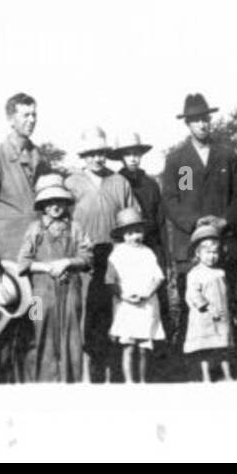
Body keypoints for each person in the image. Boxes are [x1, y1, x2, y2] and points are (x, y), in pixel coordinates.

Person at [0, 93, 51, 383]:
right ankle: (2, 387)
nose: (31, 120)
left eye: (34, 114)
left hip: (38, 257)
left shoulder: (39, 157)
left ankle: (30, 383)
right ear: (10, 119)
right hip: (8, 259)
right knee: (8, 323)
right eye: (25, 115)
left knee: (35, 318)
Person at [161, 94, 237, 338]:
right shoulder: (180, 161)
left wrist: (225, 221)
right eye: (196, 120)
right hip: (190, 245)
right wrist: (193, 223)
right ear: (187, 124)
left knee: (225, 300)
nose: (202, 124)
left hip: (224, 242)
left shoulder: (227, 156)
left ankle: (227, 360)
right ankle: (193, 363)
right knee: (195, 303)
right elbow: (174, 199)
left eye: (205, 119)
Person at [65, 126, 139, 383]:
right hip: (83, 258)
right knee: (84, 313)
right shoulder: (72, 183)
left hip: (115, 255)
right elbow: (64, 224)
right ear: (83, 156)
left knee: (114, 313)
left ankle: (113, 374)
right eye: (92, 153)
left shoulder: (120, 182)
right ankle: (85, 374)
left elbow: (132, 219)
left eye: (102, 153)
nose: (97, 158)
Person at [16, 175, 94, 383]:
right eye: (49, 202)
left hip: (70, 290)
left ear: (65, 202)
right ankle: (40, 386)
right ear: (43, 205)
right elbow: (22, 263)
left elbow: (87, 258)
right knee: (39, 334)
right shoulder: (35, 229)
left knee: (72, 336)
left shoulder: (75, 228)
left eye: (59, 201)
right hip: (38, 295)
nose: (55, 207)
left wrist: (67, 262)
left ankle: (70, 384)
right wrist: (47, 267)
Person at [112, 132, 172, 338]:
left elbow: (161, 220)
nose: (133, 158)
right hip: (128, 249)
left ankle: (160, 357)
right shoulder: (116, 182)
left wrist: (165, 256)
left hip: (152, 247)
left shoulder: (151, 184)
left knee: (156, 300)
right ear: (121, 157)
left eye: (136, 154)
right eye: (128, 154)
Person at [106, 207, 166, 384]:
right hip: (126, 305)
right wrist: (123, 296)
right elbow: (110, 280)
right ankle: (129, 382)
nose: (136, 236)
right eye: (130, 232)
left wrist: (147, 293)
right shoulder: (117, 254)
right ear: (123, 235)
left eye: (138, 231)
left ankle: (141, 381)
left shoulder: (148, 253)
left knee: (143, 347)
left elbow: (159, 277)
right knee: (129, 346)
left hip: (146, 304)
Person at [183, 223, 234, 382]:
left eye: (215, 252)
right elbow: (193, 294)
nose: (212, 256)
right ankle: (206, 376)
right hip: (204, 317)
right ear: (198, 253)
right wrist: (207, 306)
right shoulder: (195, 273)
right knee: (204, 348)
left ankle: (227, 374)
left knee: (222, 345)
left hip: (221, 314)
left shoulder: (220, 272)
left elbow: (226, 293)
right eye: (207, 252)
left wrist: (230, 308)